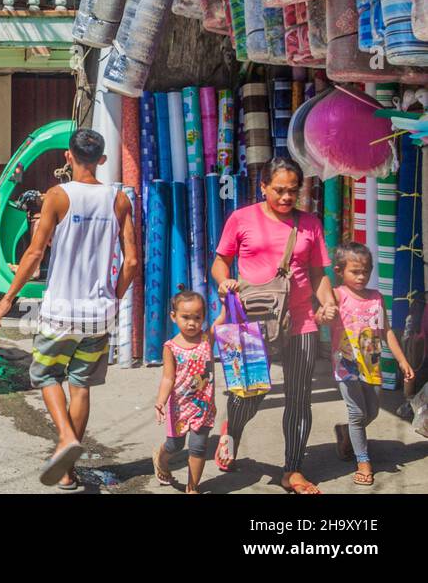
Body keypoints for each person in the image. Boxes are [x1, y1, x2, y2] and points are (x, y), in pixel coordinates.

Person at [0, 128, 137, 489]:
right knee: (81, 385)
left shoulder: (57, 196)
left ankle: (66, 440)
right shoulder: (119, 200)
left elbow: (35, 254)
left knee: (45, 376)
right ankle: (68, 467)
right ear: (101, 160)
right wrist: (114, 298)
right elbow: (132, 261)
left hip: (60, 311)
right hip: (98, 314)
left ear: (68, 157)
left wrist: (7, 299)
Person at [211, 155, 338, 494]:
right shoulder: (241, 218)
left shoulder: (309, 223)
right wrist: (224, 283)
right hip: (252, 322)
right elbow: (220, 264)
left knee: (300, 397)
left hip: (301, 321)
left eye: (292, 192)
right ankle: (232, 430)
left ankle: (292, 470)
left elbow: (316, 275)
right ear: (263, 186)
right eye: (278, 190)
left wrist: (328, 302)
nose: (285, 198)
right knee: (249, 394)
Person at [328, 241, 414, 487]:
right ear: (339, 271)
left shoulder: (376, 297)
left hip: (372, 365)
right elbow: (321, 316)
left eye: (366, 271)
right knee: (357, 413)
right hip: (345, 364)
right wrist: (323, 314)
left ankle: (346, 433)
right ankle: (363, 461)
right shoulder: (337, 295)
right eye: (355, 271)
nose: (361, 276)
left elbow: (386, 331)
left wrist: (402, 360)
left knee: (372, 411)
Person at [154, 291, 223, 494]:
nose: (192, 323)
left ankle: (192, 488)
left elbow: (222, 319)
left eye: (197, 317)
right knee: (175, 445)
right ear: (173, 316)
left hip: (203, 406)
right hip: (179, 407)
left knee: (198, 447)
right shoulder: (171, 347)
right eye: (186, 317)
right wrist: (160, 402)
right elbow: (168, 378)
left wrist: (227, 300)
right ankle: (161, 459)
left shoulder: (206, 339)